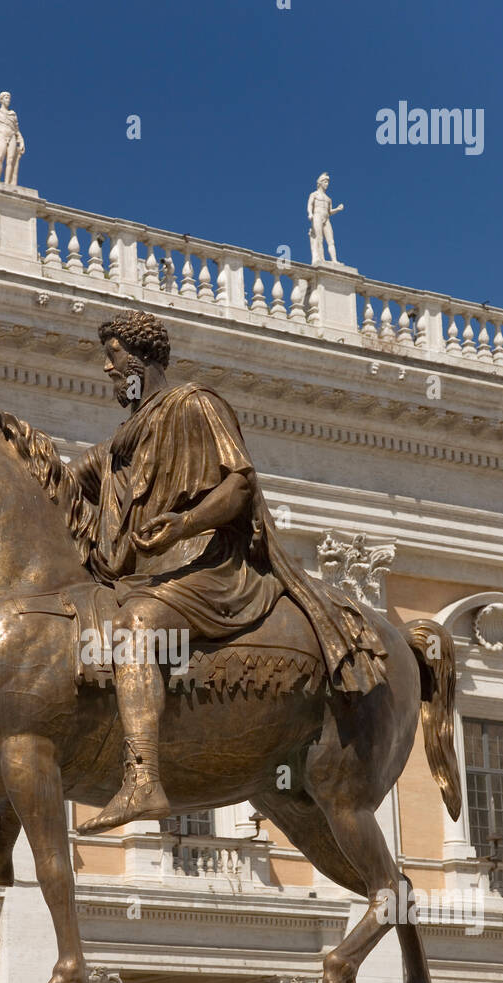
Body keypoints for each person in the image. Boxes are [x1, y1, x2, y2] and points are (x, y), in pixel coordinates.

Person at [71, 310, 386, 834]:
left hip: (207, 565)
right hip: (152, 574)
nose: (106, 368)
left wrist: (181, 525)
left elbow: (239, 486)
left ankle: (144, 777)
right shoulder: (123, 441)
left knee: (136, 629)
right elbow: (59, 479)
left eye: (113, 355)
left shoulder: (196, 404)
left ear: (141, 357)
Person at [0, 92, 25, 186]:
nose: (8, 100)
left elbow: (16, 130)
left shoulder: (13, 114)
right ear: (1, 100)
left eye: (9, 98)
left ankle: (7, 183)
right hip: (1, 133)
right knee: (0, 156)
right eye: (6, 98)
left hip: (12, 135)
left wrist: (21, 141)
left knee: (10, 159)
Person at [307, 172, 344, 265]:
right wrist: (310, 213)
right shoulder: (314, 194)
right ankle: (321, 258)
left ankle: (334, 260)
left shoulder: (328, 199)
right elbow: (309, 205)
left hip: (326, 218)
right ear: (320, 182)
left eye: (327, 182)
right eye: (325, 182)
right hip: (317, 216)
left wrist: (338, 209)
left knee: (331, 240)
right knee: (319, 238)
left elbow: (329, 211)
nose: (327, 184)